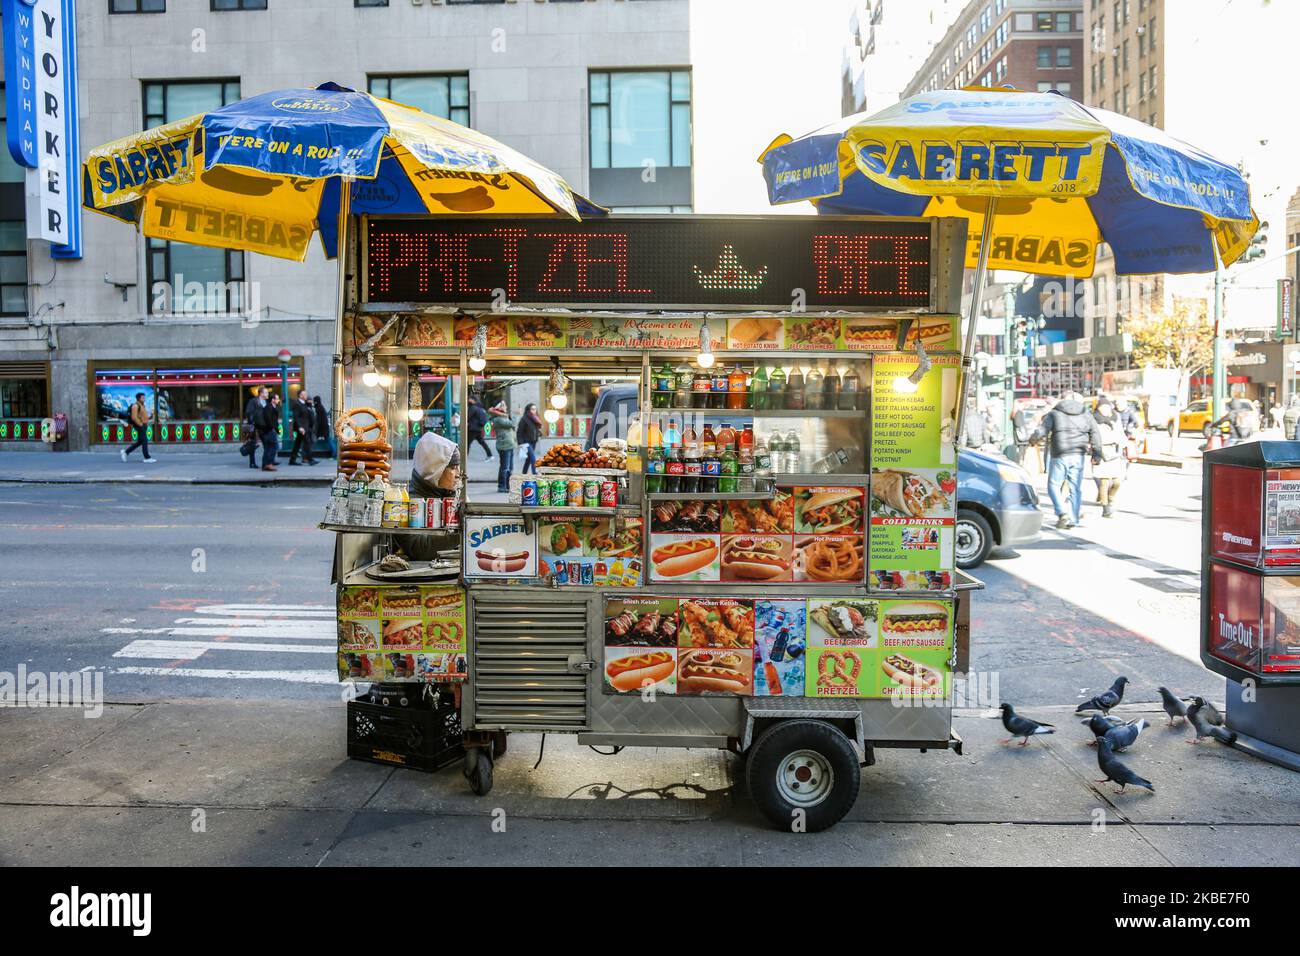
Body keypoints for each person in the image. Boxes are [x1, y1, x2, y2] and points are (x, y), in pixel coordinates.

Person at [1031, 391, 1103, 530]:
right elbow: (1095, 433)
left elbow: (1042, 430)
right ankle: (1074, 518)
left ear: (1061, 400)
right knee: (1075, 487)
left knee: (1054, 485)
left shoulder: (1055, 413)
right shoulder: (1085, 413)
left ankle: (1061, 511)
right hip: (1078, 454)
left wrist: (1033, 439)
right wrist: (1097, 453)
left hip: (1060, 453)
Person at [1090, 399, 1127, 518]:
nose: (1105, 410)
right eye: (1102, 407)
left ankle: (1110, 498)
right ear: (1098, 408)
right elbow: (1093, 436)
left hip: (1116, 452)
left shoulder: (1117, 417)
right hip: (1101, 452)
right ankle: (1106, 508)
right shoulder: (1093, 419)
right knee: (1104, 481)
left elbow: (1121, 433)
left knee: (1117, 481)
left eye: (1107, 407)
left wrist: (1124, 444)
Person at [121, 393, 157, 463]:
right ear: (138, 398)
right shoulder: (135, 406)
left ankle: (126, 452)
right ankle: (147, 457)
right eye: (143, 398)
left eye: (144, 397)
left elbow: (143, 416)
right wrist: (140, 425)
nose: (144, 399)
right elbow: (134, 418)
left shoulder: (142, 406)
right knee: (145, 440)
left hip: (143, 425)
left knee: (140, 442)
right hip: (140, 426)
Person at [489, 402, 516, 494]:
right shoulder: (499, 419)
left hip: (509, 444)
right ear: (499, 408)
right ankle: (502, 486)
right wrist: (516, 415)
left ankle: (508, 486)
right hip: (504, 445)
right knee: (505, 467)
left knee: (509, 467)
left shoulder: (503, 417)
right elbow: (512, 424)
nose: (506, 407)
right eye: (504, 405)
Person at [287, 392, 319, 466]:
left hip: (305, 427)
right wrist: (300, 427)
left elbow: (308, 414)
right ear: (300, 396)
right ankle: (310, 459)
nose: (306, 396)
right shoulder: (297, 404)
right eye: (305, 394)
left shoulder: (304, 404)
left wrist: (309, 404)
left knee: (297, 444)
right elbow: (296, 417)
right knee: (307, 443)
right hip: (302, 428)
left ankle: (292, 460)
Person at [242, 387, 268, 469]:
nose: (268, 394)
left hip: (264, 426)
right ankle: (252, 463)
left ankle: (267, 462)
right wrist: (253, 422)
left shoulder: (266, 402)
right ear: (261, 393)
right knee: (252, 445)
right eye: (266, 392)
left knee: (267, 444)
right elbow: (248, 412)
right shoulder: (253, 401)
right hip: (255, 426)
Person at [255, 393, 282, 471]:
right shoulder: (268, 408)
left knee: (268, 448)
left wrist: (277, 429)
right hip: (269, 431)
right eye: (277, 399)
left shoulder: (272, 407)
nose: (278, 400)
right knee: (273, 447)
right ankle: (269, 464)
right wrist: (274, 428)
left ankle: (265, 464)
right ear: (272, 400)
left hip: (269, 430)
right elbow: (269, 420)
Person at [517, 403, 543, 474]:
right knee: (533, 458)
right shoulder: (524, 419)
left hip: (533, 441)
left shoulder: (535, 418)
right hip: (526, 443)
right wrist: (520, 443)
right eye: (532, 409)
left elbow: (534, 429)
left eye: (535, 409)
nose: (534, 411)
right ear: (528, 410)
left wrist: (539, 433)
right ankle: (535, 474)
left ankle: (524, 474)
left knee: (528, 459)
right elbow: (519, 432)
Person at [466, 396, 492, 460]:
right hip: (478, 428)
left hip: (473, 428)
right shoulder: (479, 408)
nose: (467, 400)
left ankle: (464, 456)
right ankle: (490, 454)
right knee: (482, 442)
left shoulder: (472, 407)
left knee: (467, 443)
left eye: (469, 399)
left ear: (473, 400)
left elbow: (468, 416)